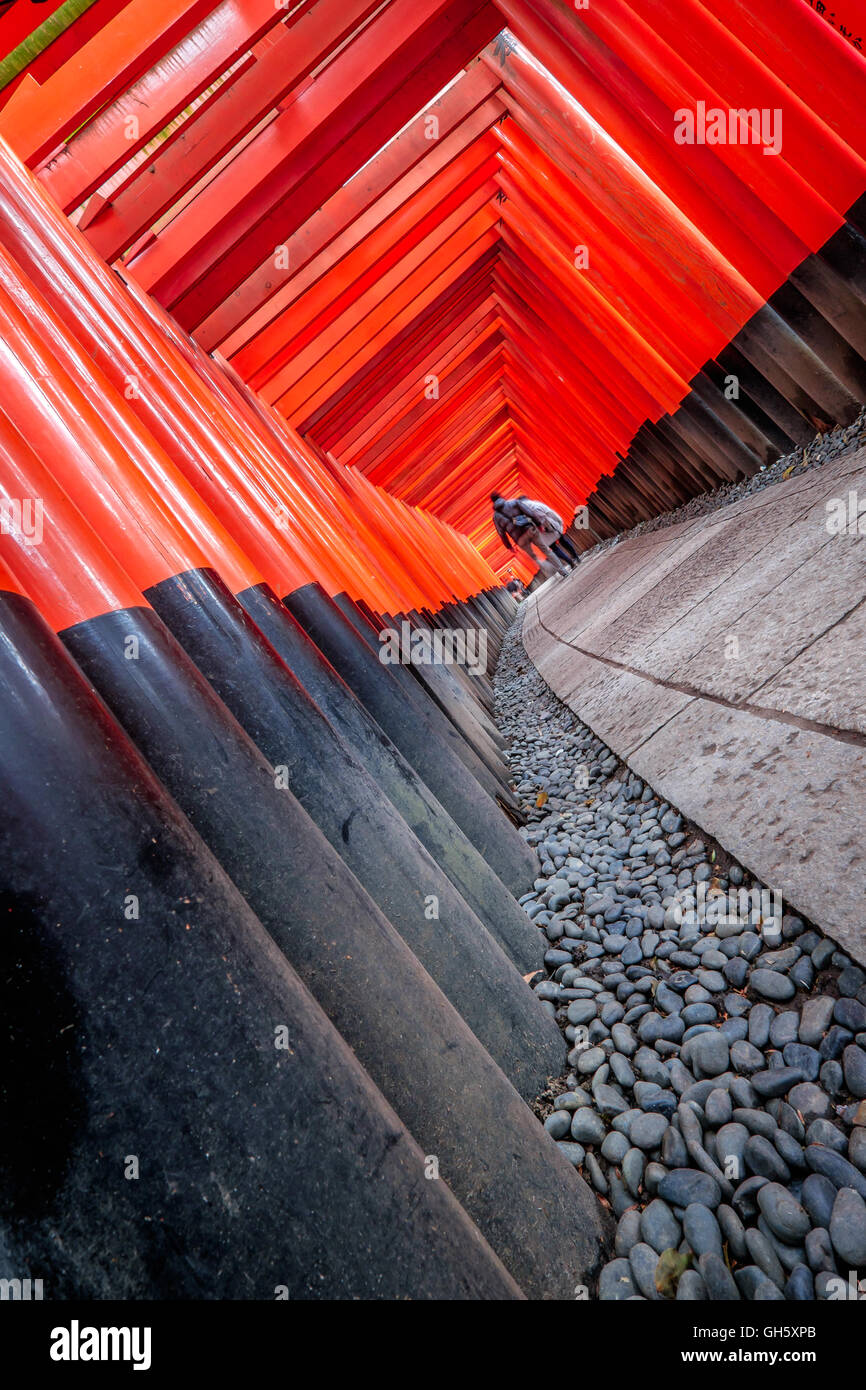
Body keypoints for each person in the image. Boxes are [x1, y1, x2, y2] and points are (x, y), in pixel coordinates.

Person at [490, 492, 568, 579]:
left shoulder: (496, 517)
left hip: (519, 539)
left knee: (534, 557)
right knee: (546, 550)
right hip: (530, 529)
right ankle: (562, 571)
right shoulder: (514, 502)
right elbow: (529, 513)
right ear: (501, 496)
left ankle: (549, 569)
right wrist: (539, 524)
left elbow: (501, 533)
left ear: (493, 502)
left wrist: (509, 546)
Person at [515, 495, 581, 569]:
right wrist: (558, 520)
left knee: (554, 548)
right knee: (563, 541)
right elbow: (549, 512)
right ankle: (576, 557)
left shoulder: (523, 513)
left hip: (541, 531)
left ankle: (570, 562)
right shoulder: (535, 504)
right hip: (550, 524)